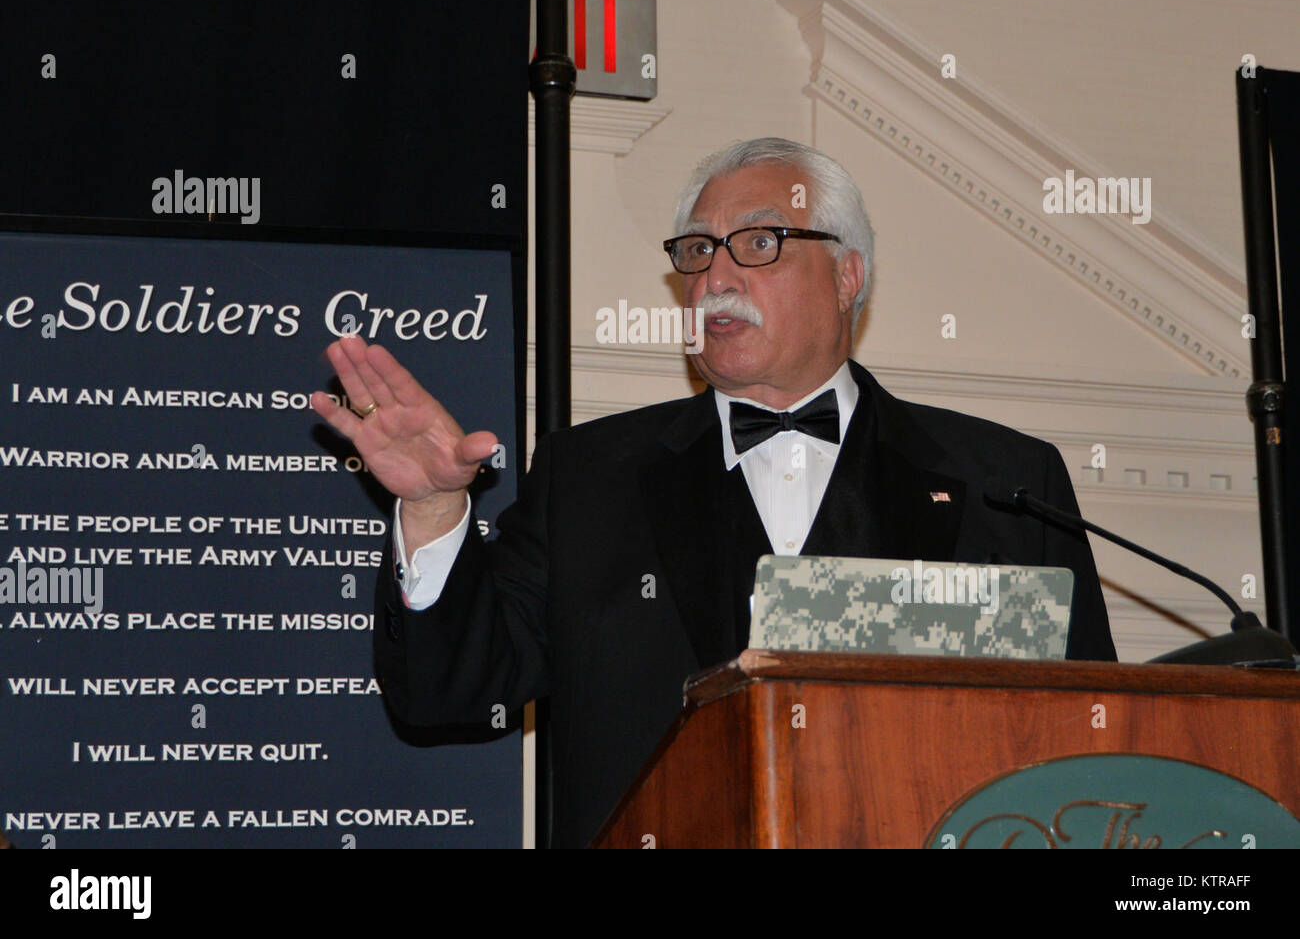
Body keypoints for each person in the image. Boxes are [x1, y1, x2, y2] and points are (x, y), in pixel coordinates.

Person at [311, 137, 1116, 848]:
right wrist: (432, 510)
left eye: (758, 243)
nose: (716, 276)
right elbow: (444, 693)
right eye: (697, 251)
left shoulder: (1004, 480)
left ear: (847, 276)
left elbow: (1091, 749)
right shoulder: (588, 476)